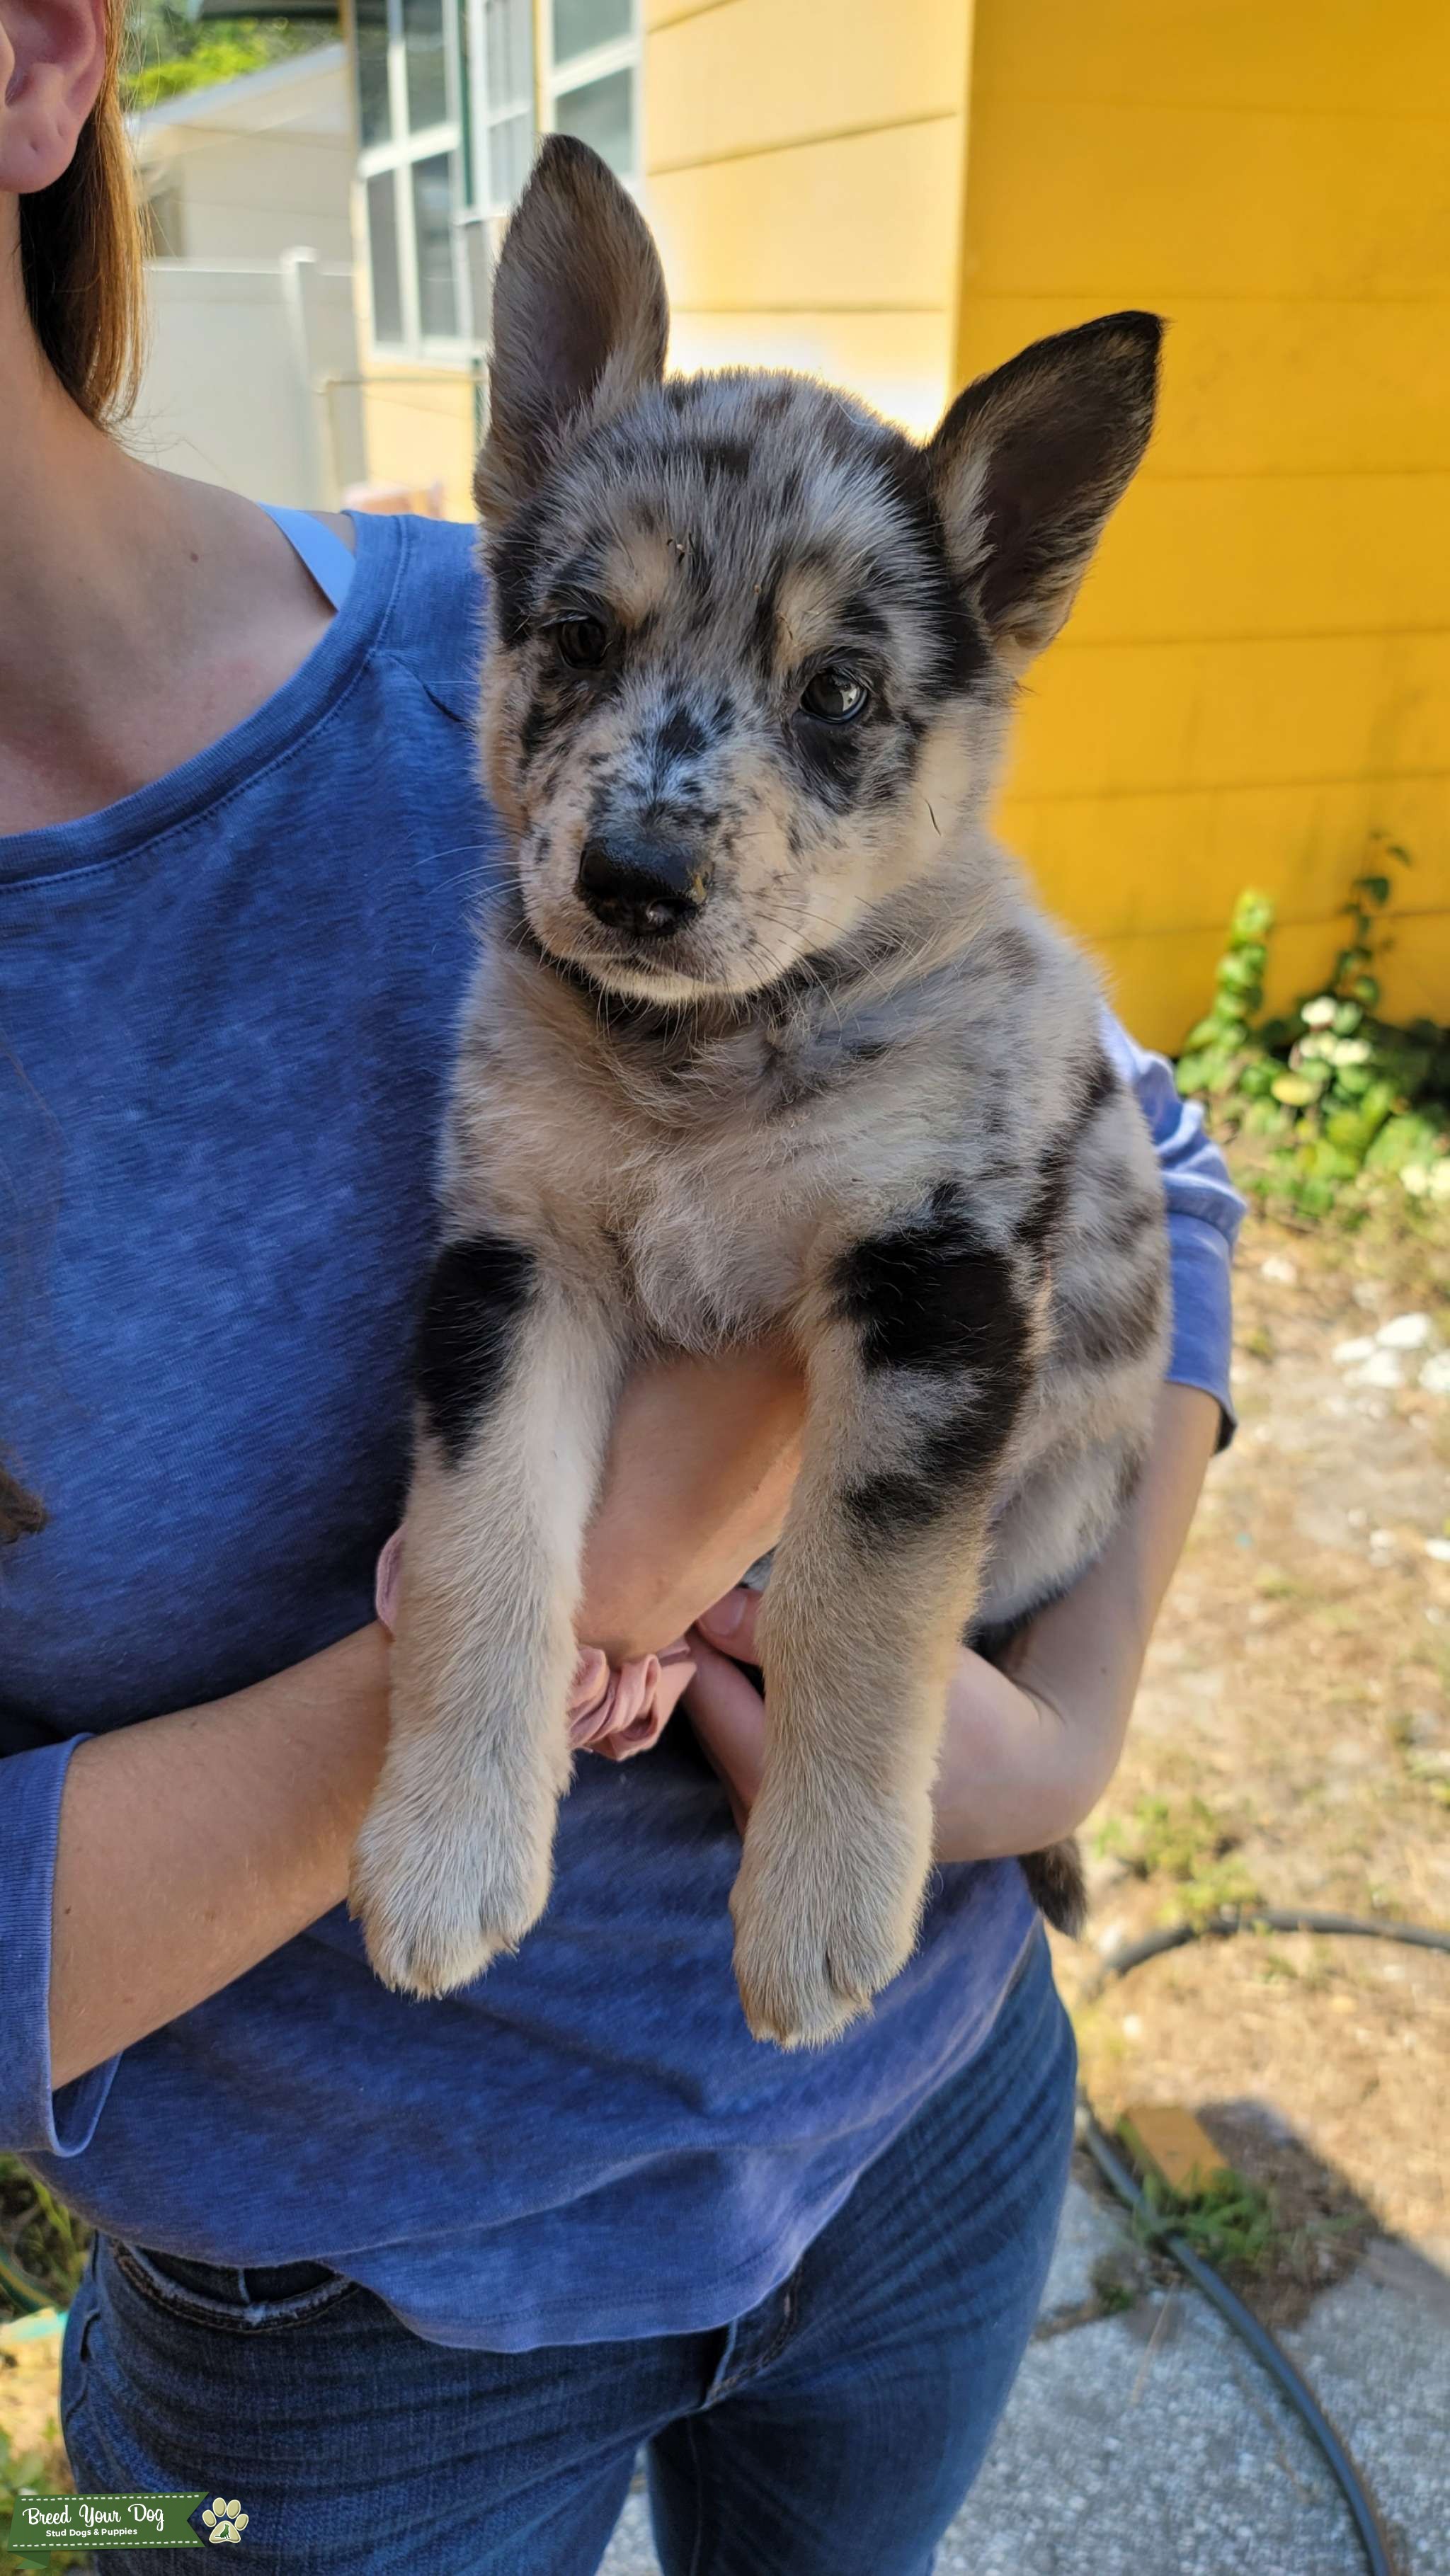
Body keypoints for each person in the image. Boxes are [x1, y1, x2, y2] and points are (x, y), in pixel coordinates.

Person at [0, 5, 1243, 2568]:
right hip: (340, 2345)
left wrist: (1068, 1717)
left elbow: (1158, 1153)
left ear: (40, 59)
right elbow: (526, 1322)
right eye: (594, 655)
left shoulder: (468, 641)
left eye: (825, 707)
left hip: (917, 2121)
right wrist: (581, 1601)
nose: (655, 826)